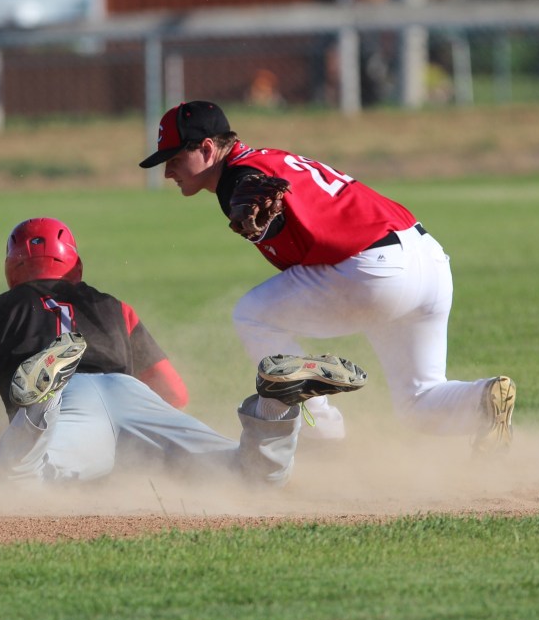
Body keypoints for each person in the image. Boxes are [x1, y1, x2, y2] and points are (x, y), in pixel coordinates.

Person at [138, 100, 514, 453]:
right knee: (418, 402)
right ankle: (484, 398)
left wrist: (262, 222)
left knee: (252, 315)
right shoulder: (272, 159)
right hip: (428, 262)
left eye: (173, 157)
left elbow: (263, 203)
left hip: (374, 269)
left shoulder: (239, 176)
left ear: (206, 148)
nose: (167, 170)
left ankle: (322, 428)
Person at [0, 217, 368, 486]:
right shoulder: (112, 306)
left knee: (18, 480)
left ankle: (39, 404)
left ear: (12, 269)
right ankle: (275, 402)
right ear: (76, 265)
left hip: (69, 402)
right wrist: (145, 446)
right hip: (133, 394)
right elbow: (174, 393)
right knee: (246, 475)